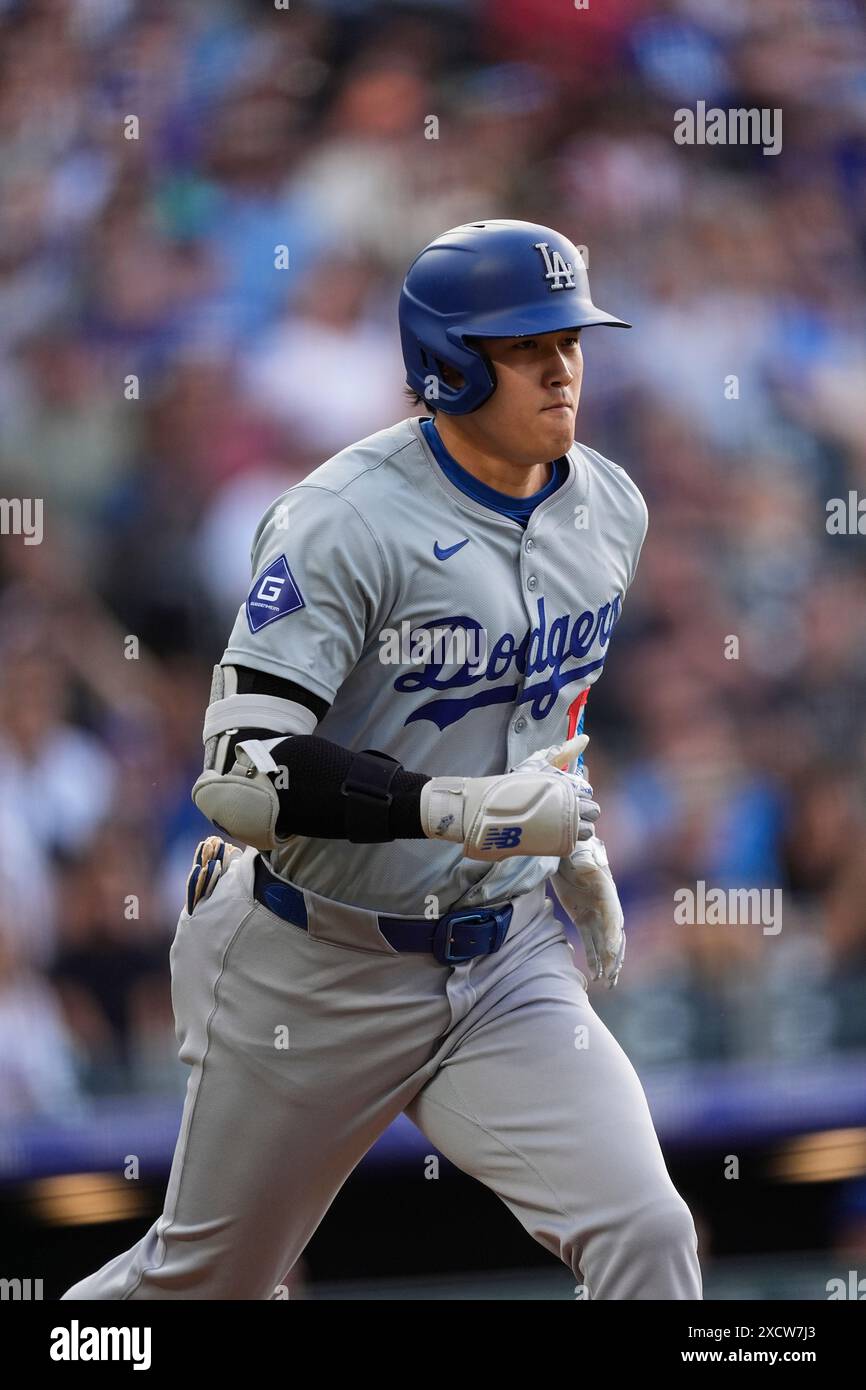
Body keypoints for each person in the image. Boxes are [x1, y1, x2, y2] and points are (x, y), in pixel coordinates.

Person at [61, 219, 702, 1300]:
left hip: (502, 960)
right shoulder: (341, 521)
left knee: (645, 1230)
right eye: (524, 344)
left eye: (571, 339)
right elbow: (239, 777)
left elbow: (541, 713)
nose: (561, 367)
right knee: (203, 1285)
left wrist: (562, 830)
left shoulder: (608, 506)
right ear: (446, 364)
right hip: (309, 958)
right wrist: (459, 810)